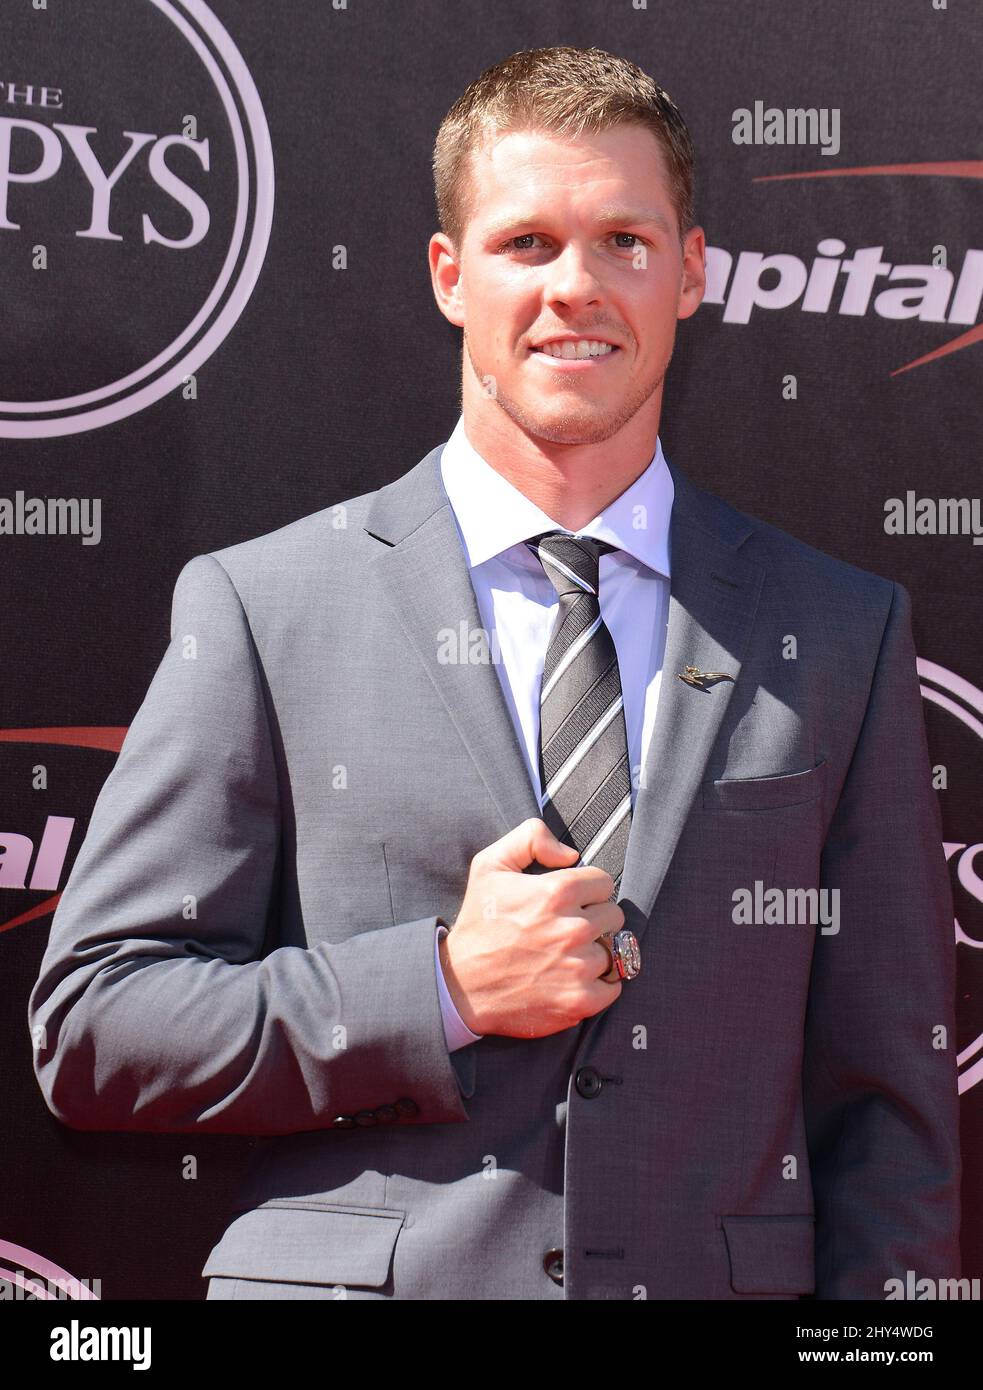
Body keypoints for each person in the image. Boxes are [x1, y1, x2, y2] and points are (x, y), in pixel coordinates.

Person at [28, 44, 961, 1300]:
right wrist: (440, 988)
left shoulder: (837, 629)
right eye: (526, 242)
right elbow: (96, 1025)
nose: (576, 287)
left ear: (690, 272)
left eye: (624, 241)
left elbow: (887, 1107)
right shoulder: (264, 606)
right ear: (447, 276)